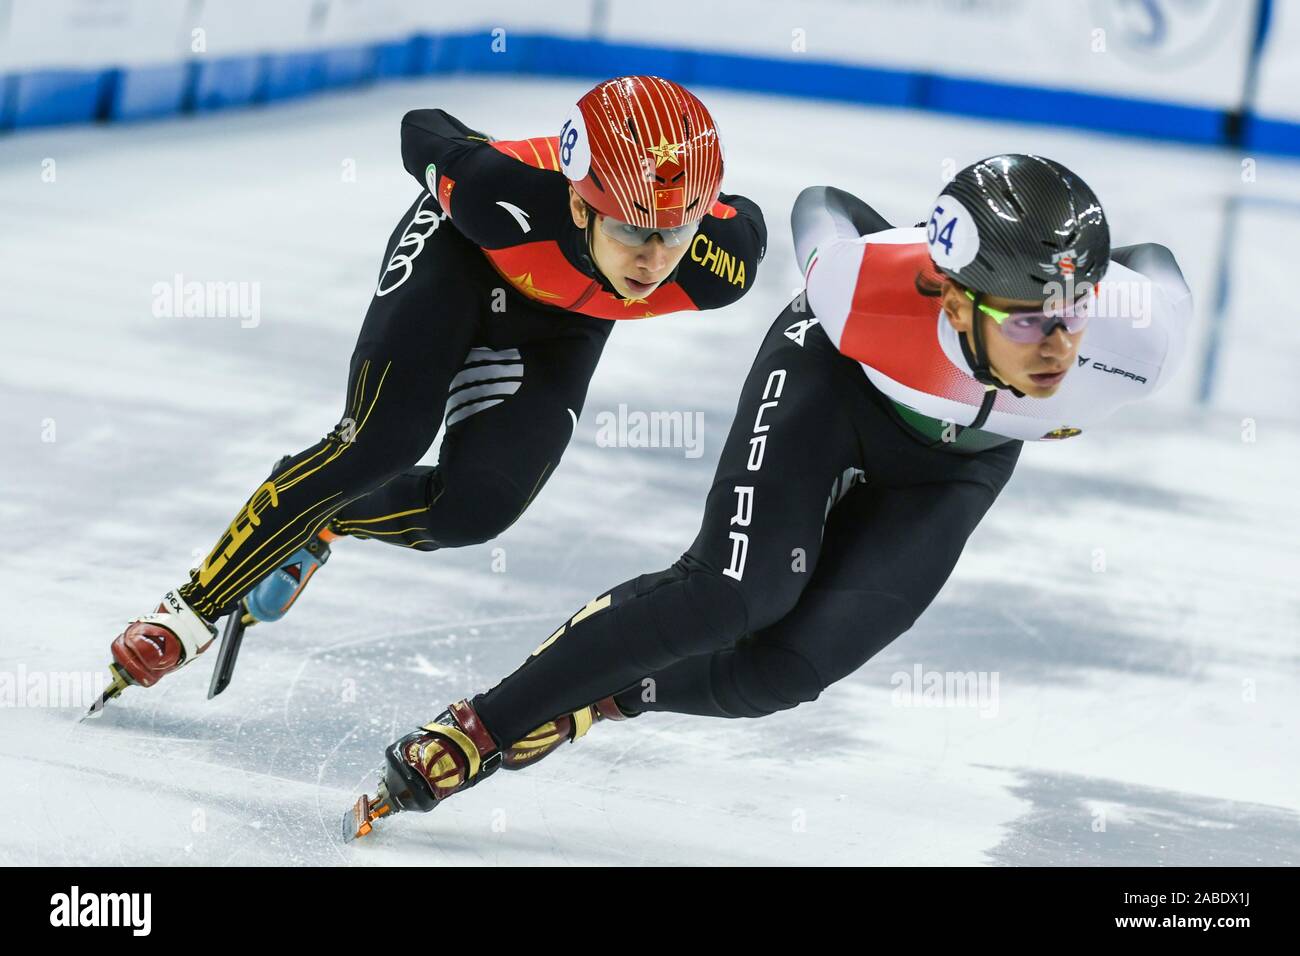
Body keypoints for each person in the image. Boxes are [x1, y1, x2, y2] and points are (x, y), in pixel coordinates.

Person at [346, 154, 1193, 839]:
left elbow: (1156, 267)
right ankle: (480, 727)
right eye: (1026, 321)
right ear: (952, 297)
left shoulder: (1138, 341)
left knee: (783, 672)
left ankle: (600, 696)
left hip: (957, 465)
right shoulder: (861, 290)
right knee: (735, 593)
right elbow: (823, 205)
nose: (1057, 347)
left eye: (1073, 315)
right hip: (835, 388)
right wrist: (918, 245)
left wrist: (1068, 281)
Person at [98, 76, 767, 701]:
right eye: (631, 230)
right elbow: (421, 124)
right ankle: (188, 608)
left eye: (675, 232)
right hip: (458, 263)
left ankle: (323, 514)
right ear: (575, 200)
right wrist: (476, 156)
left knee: (472, 512)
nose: (654, 259)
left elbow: (760, 223)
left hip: (561, 327)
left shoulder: (721, 264)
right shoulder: (496, 192)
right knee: (380, 444)